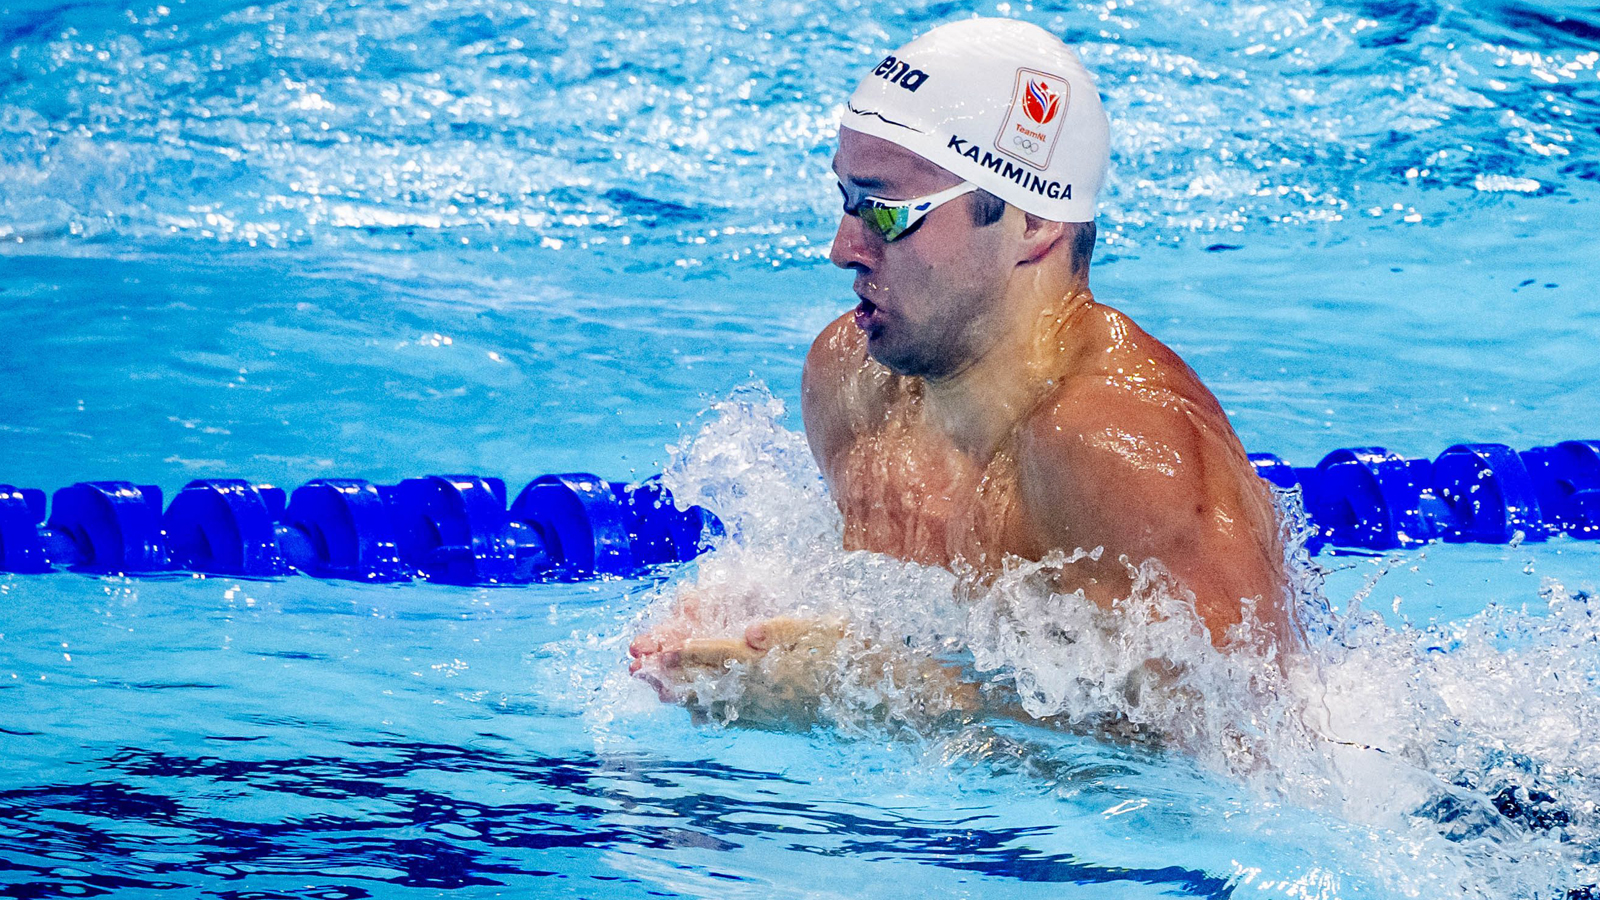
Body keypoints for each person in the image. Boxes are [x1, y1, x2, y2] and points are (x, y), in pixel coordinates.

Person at [630, 18, 1292, 718]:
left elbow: (1245, 748)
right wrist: (747, 617)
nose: (843, 248)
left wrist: (876, 698)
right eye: (846, 201)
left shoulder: (1114, 453)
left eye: (886, 213)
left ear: (1032, 222)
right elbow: (889, 612)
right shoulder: (854, 381)